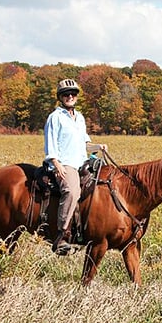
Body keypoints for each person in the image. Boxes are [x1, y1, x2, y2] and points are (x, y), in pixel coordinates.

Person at [44, 78, 107, 256]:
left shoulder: (79, 117)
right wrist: (56, 164)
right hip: (65, 164)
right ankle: (61, 235)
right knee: (72, 192)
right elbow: (50, 144)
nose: (70, 96)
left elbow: (86, 144)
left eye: (73, 94)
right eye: (66, 94)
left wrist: (98, 147)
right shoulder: (55, 117)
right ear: (60, 97)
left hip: (82, 162)